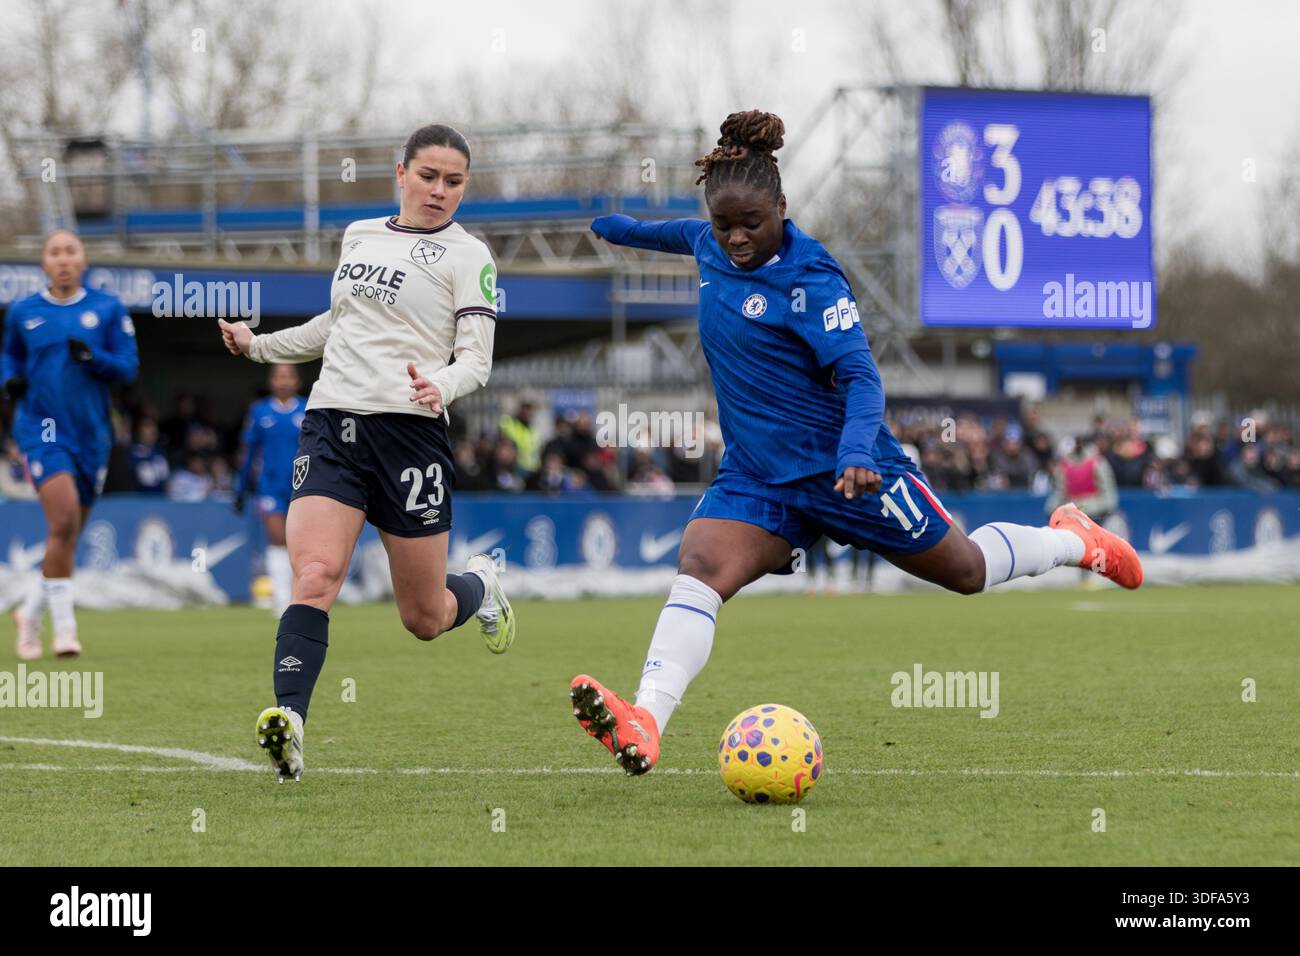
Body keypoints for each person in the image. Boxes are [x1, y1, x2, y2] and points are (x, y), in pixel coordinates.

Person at [568, 111, 1143, 776]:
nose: (735, 239)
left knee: (966, 572)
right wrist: (604, 225)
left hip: (850, 470)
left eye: (751, 223)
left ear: (782, 207)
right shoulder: (707, 243)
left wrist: (855, 454)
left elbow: (861, 378)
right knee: (699, 566)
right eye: (723, 224)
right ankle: (645, 720)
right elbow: (652, 232)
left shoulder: (813, 280)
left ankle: (1077, 538)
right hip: (758, 475)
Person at [218, 123, 515, 782]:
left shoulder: (472, 257)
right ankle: (289, 721)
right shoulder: (359, 235)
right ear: (401, 173)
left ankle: (480, 584)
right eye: (429, 176)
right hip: (331, 424)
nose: (440, 191)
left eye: (454, 181)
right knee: (316, 575)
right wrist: (260, 345)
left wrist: (438, 385)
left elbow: (477, 359)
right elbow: (338, 324)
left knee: (425, 617)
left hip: (410, 435)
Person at [2, 229, 139, 660]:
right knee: (61, 523)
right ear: (43, 262)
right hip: (42, 431)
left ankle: (28, 612)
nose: (63, 259)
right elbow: (9, 355)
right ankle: (65, 630)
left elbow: (129, 368)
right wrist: (9, 380)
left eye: (70, 251)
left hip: (91, 435)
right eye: (54, 252)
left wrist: (94, 359)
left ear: (83, 260)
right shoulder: (24, 311)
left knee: (68, 535)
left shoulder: (108, 308)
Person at [235, 364, 308, 615]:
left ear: (297, 381)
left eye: (288, 376)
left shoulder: (308, 408)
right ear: (271, 381)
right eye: (278, 376)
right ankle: (281, 601)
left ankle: (299, 598)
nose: (283, 381)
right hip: (271, 488)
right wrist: (240, 488)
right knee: (277, 539)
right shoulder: (260, 411)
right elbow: (248, 453)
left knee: (300, 544)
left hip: (303, 486)